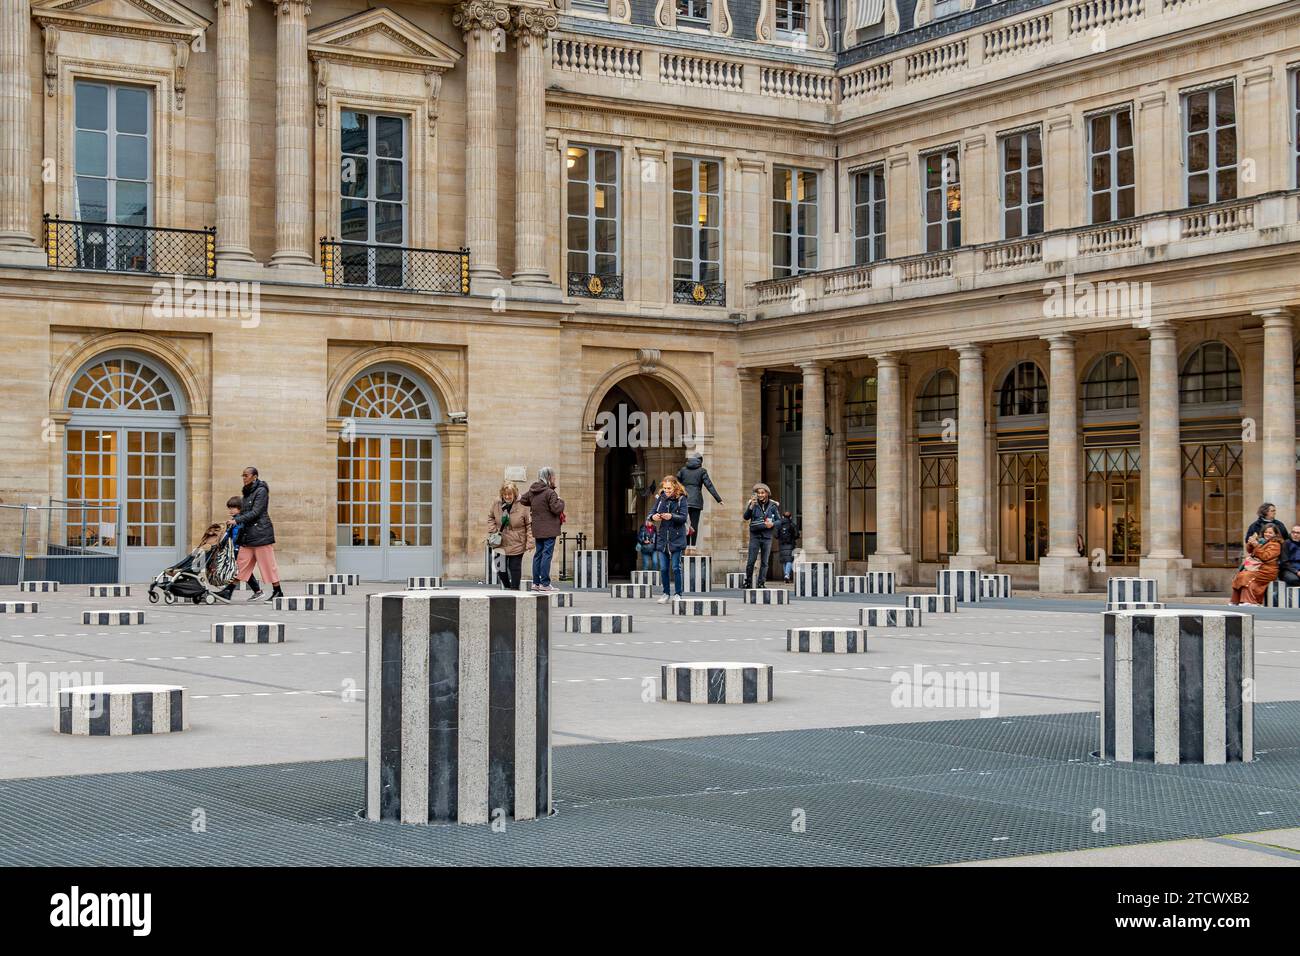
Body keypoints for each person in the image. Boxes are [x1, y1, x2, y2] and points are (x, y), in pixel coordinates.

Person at [221, 469, 281, 602]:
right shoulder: (247, 491)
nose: (243, 478)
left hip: (260, 534)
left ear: (254, 477)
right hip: (248, 535)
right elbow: (246, 511)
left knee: (267, 564)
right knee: (241, 564)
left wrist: (237, 520)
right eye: (242, 475)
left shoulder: (261, 491)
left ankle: (278, 591)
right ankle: (228, 591)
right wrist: (236, 517)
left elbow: (256, 512)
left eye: (246, 475)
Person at [520, 466, 564, 592]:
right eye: (554, 476)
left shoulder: (533, 491)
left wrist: (534, 504)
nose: (555, 479)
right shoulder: (550, 493)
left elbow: (523, 499)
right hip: (549, 529)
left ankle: (536, 583)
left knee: (538, 554)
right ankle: (545, 583)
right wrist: (561, 502)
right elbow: (556, 509)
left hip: (537, 528)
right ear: (549, 477)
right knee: (546, 555)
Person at [649, 475, 690, 603]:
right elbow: (651, 513)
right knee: (664, 568)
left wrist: (671, 516)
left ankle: (678, 593)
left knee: (676, 568)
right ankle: (666, 593)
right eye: (665, 488)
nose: (667, 490)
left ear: (675, 486)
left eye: (669, 488)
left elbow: (683, 517)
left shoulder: (681, 499)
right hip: (663, 538)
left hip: (676, 537)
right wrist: (653, 517)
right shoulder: (661, 498)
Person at [488, 482, 532, 590]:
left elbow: (529, 524)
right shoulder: (496, 503)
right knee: (499, 567)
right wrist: (493, 530)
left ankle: (515, 589)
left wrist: (530, 541)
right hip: (500, 541)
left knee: (514, 567)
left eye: (510, 494)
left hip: (517, 540)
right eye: (505, 494)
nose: (507, 497)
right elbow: (491, 517)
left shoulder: (523, 504)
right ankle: (507, 587)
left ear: (515, 494)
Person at [677, 453, 722, 552]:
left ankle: (685, 545)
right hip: (696, 501)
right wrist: (718, 499)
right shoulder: (702, 471)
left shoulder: (683, 470)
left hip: (684, 500)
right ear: (700, 460)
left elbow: (677, 483)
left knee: (684, 523)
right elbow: (709, 485)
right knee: (694, 524)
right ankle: (692, 546)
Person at [1231, 523, 1282, 605]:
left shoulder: (1275, 544)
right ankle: (1235, 601)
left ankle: (1249, 601)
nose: (1267, 534)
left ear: (1275, 534)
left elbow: (1265, 557)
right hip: (1257, 568)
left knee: (1246, 576)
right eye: (1266, 532)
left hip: (1267, 571)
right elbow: (1250, 551)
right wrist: (1250, 544)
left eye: (1270, 533)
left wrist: (1256, 545)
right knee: (1240, 575)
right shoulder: (1261, 541)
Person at [742, 483, 780, 589]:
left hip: (767, 537)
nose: (760, 495)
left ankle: (761, 582)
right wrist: (750, 507)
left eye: (762, 493)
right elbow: (745, 517)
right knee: (751, 560)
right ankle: (748, 581)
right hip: (755, 536)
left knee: (764, 562)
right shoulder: (753, 504)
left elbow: (779, 521)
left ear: (767, 493)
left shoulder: (773, 506)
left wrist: (772, 524)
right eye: (758, 493)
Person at [777, 510, 799, 584]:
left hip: (782, 544)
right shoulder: (792, 524)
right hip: (790, 544)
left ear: (783, 517)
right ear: (791, 517)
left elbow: (776, 535)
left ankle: (786, 575)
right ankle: (787, 575)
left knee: (784, 560)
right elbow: (797, 535)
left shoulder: (779, 525)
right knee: (789, 560)